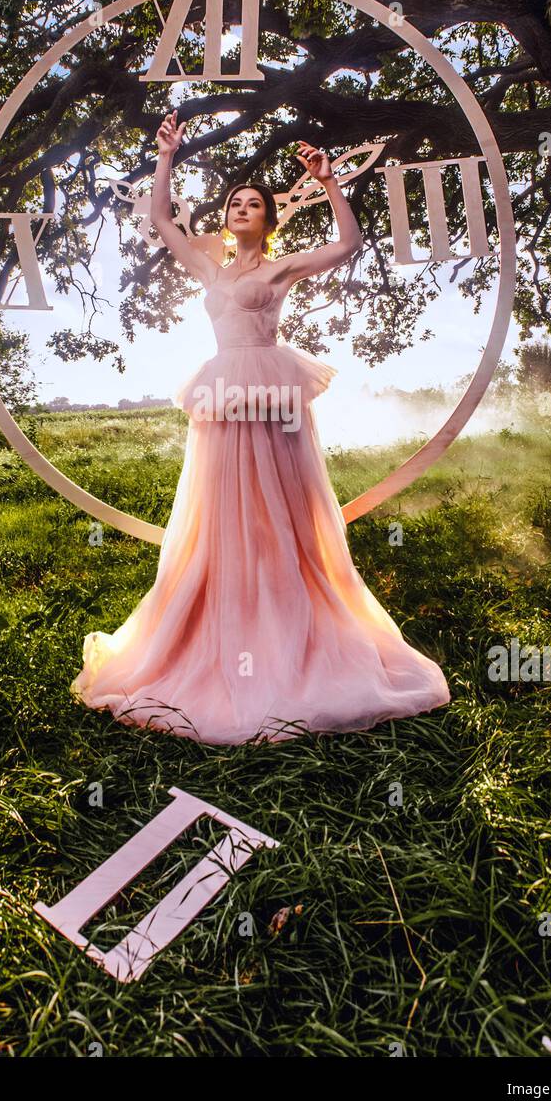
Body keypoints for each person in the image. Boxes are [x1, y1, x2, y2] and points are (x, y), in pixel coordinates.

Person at [70, 110, 450, 744]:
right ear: (225, 217)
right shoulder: (210, 269)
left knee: (284, 512)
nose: (242, 208)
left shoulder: (278, 269)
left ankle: (292, 627)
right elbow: (163, 221)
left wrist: (330, 182)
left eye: (254, 203)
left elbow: (348, 245)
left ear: (269, 220)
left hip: (272, 393)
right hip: (221, 394)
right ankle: (222, 619)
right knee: (220, 512)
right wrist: (166, 156)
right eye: (235, 203)